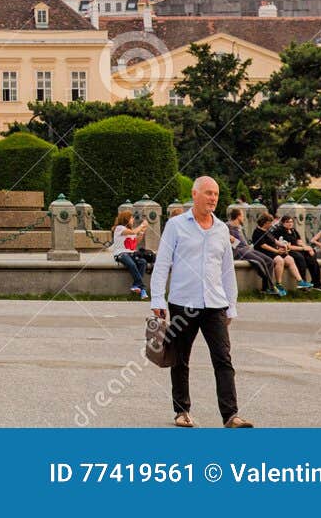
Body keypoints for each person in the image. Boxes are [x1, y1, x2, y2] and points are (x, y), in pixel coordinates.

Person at [149, 176, 252, 428]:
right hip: (183, 303)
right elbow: (162, 263)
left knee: (223, 359)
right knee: (180, 358)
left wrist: (232, 305)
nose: (213, 198)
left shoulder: (221, 229)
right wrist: (157, 298)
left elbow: (227, 270)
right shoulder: (175, 225)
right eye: (208, 193)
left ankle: (231, 415)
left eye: (216, 194)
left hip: (215, 304)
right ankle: (182, 411)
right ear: (194, 195)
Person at [227, 207, 284, 296]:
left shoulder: (239, 227)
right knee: (260, 261)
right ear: (238, 216)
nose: (244, 218)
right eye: (242, 216)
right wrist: (230, 239)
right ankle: (271, 286)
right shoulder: (227, 227)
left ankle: (265, 288)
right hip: (239, 251)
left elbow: (244, 241)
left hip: (247, 249)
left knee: (269, 261)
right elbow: (229, 242)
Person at [250, 212, 302, 291]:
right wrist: (277, 251)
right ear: (265, 223)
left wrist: (282, 245)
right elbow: (263, 246)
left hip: (274, 251)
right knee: (279, 260)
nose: (271, 224)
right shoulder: (257, 232)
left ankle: (300, 281)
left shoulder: (267, 231)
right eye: (270, 223)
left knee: (289, 259)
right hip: (264, 252)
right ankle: (278, 284)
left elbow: (274, 240)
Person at [271, 214, 321, 291]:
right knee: (300, 258)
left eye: (291, 222)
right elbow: (287, 246)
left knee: (312, 258)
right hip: (288, 250)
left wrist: (308, 248)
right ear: (282, 223)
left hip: (298, 249)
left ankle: (316, 283)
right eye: (287, 222)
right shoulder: (279, 231)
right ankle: (303, 283)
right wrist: (303, 249)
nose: (290, 223)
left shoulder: (293, 230)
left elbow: (299, 241)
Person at [110, 209, 149, 298]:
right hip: (121, 254)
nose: (133, 220)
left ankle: (135, 285)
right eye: (131, 218)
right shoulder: (119, 228)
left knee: (142, 262)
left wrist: (142, 231)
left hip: (131, 254)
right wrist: (142, 225)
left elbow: (136, 242)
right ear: (126, 219)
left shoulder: (129, 230)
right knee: (131, 264)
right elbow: (134, 232)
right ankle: (142, 288)